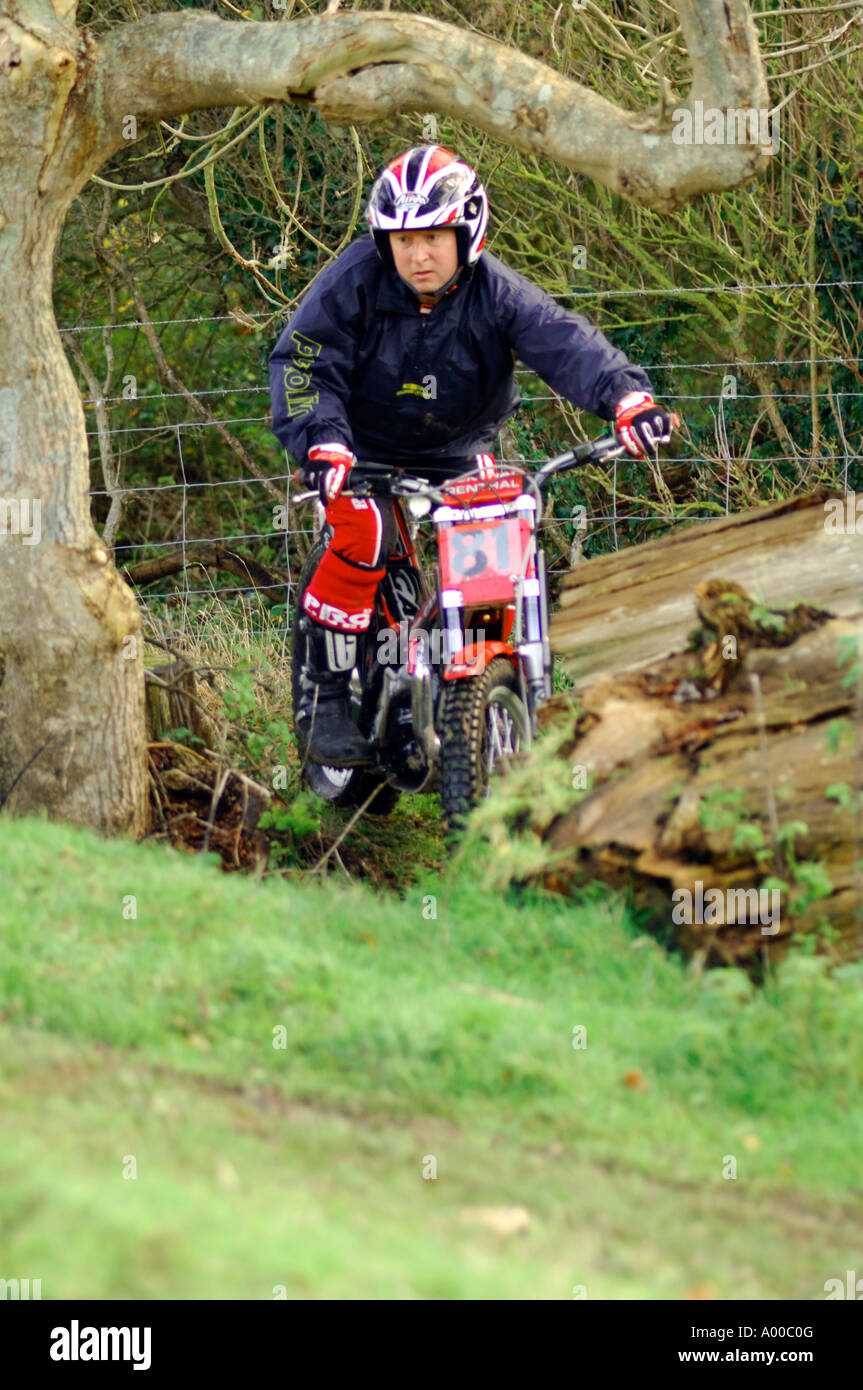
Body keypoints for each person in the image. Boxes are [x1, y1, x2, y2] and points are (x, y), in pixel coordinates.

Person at [269, 144, 677, 768]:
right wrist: (322, 438)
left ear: (468, 231)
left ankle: (468, 687)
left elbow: (564, 341)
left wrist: (627, 398)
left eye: (433, 236)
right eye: (403, 240)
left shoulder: (496, 291)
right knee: (367, 530)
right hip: (358, 449)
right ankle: (323, 698)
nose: (418, 255)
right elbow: (302, 362)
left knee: (492, 545)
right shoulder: (353, 281)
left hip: (459, 448)